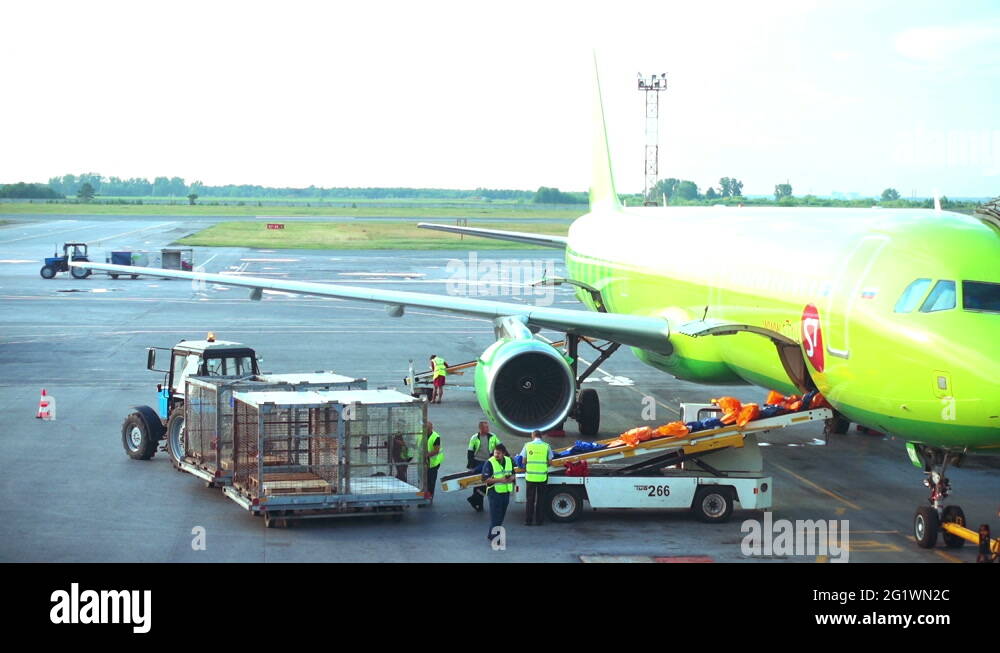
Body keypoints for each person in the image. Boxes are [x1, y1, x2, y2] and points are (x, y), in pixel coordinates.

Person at [518, 430, 553, 526]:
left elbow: (523, 461)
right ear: (541, 436)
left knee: (530, 500)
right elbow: (550, 463)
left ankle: (528, 520)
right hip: (542, 477)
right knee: (541, 499)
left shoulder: (527, 445)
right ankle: (539, 521)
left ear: (533, 436)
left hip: (530, 477)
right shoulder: (546, 446)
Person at [466, 421, 501, 512]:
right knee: (478, 483)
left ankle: (474, 499)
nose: (488, 429)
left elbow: (500, 447)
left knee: (485, 483)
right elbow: (470, 452)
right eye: (486, 427)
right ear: (481, 428)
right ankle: (479, 504)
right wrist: (471, 465)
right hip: (478, 462)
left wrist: (507, 457)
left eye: (488, 427)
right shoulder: (474, 438)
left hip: (488, 462)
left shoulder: (492, 436)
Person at [482, 444, 514, 543]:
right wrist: (501, 480)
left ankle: (491, 534)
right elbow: (485, 479)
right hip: (494, 492)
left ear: (504, 453)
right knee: (496, 515)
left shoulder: (509, 461)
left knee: (501, 515)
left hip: (505, 492)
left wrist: (512, 478)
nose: (496, 455)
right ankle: (495, 537)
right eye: (495, 452)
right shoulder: (489, 462)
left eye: (498, 453)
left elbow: (513, 473)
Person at [419, 421, 444, 506]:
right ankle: (423, 497)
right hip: (422, 463)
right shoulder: (420, 434)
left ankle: (428, 498)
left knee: (430, 482)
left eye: (428, 428)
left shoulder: (436, 437)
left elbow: (436, 450)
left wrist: (426, 455)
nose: (426, 429)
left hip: (432, 464)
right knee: (422, 481)